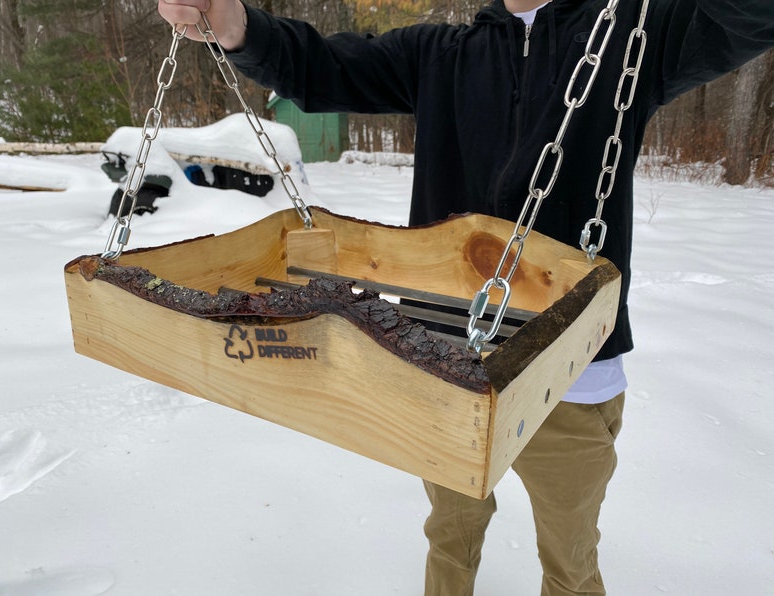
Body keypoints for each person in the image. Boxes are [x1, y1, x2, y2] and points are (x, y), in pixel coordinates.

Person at [158, 0, 774, 593]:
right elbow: (319, 67)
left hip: (573, 377)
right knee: (449, 542)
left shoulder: (636, 31)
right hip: (444, 366)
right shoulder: (440, 53)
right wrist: (237, 26)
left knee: (572, 564)